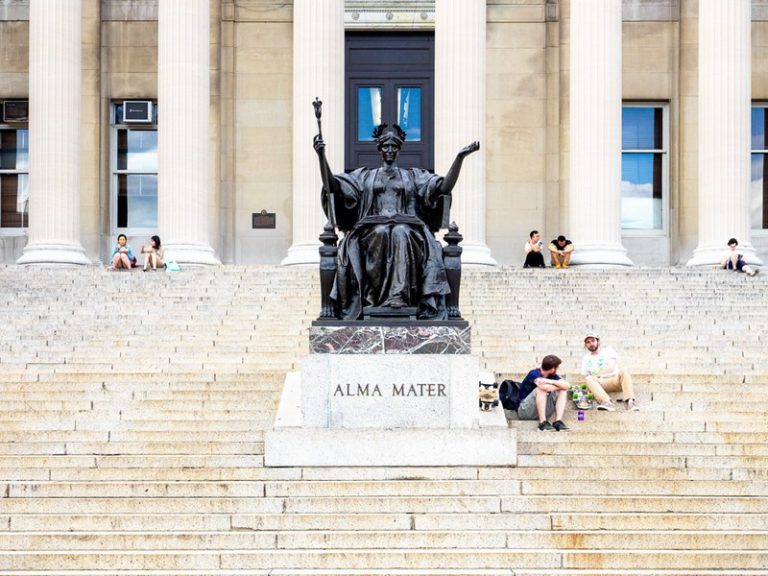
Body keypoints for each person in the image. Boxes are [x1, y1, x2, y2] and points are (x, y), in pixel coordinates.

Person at [314, 123, 479, 320]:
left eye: (394, 146)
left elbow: (443, 187)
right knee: (383, 231)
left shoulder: (412, 176)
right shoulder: (365, 176)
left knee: (400, 231)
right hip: (370, 230)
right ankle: (374, 297)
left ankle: (398, 297)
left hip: (408, 229)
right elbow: (333, 186)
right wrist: (321, 157)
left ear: (399, 149)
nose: (390, 150)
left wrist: (459, 158)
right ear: (379, 149)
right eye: (386, 146)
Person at [581, 332, 638, 411]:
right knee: (588, 379)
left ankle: (630, 402)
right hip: (600, 384)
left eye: (593, 341)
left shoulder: (607, 350)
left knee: (624, 370)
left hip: (614, 380)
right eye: (588, 342)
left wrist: (595, 376)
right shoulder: (586, 358)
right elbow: (586, 376)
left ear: (598, 341)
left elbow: (610, 368)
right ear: (585, 345)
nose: (591, 344)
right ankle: (606, 402)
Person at [516, 354, 571, 431]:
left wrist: (550, 381)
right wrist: (558, 385)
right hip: (525, 411)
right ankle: (542, 423)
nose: (557, 369)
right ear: (552, 369)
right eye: (557, 367)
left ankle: (558, 422)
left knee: (562, 390)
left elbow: (567, 386)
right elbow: (544, 387)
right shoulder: (534, 374)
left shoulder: (552, 376)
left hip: (542, 409)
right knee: (541, 389)